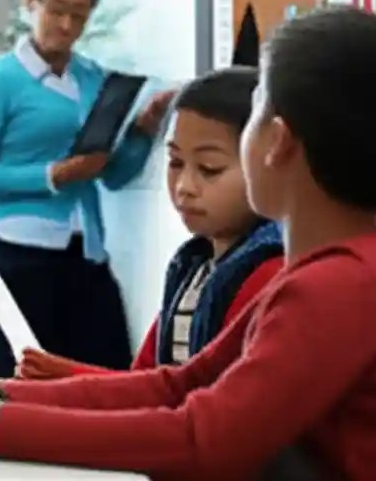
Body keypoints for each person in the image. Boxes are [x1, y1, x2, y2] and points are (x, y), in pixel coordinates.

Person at [0, 6, 376, 479]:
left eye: (255, 109)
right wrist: (3, 395)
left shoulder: (339, 286)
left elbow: (204, 439)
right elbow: (179, 385)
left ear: (276, 141)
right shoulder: (335, 270)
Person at [0, 0, 175, 375]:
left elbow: (114, 174)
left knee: (105, 371)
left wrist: (142, 131)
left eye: (79, 16)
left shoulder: (93, 78)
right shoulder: (1, 79)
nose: (67, 26)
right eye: (57, 11)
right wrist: (52, 176)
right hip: (17, 251)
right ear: (30, 4)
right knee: (17, 375)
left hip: (84, 250)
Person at [20, 67, 284, 380]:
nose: (184, 186)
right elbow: (148, 385)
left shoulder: (270, 276)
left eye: (209, 168)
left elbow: (207, 407)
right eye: (175, 162)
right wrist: (60, 377)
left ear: (269, 162)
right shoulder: (192, 268)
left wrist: (67, 380)